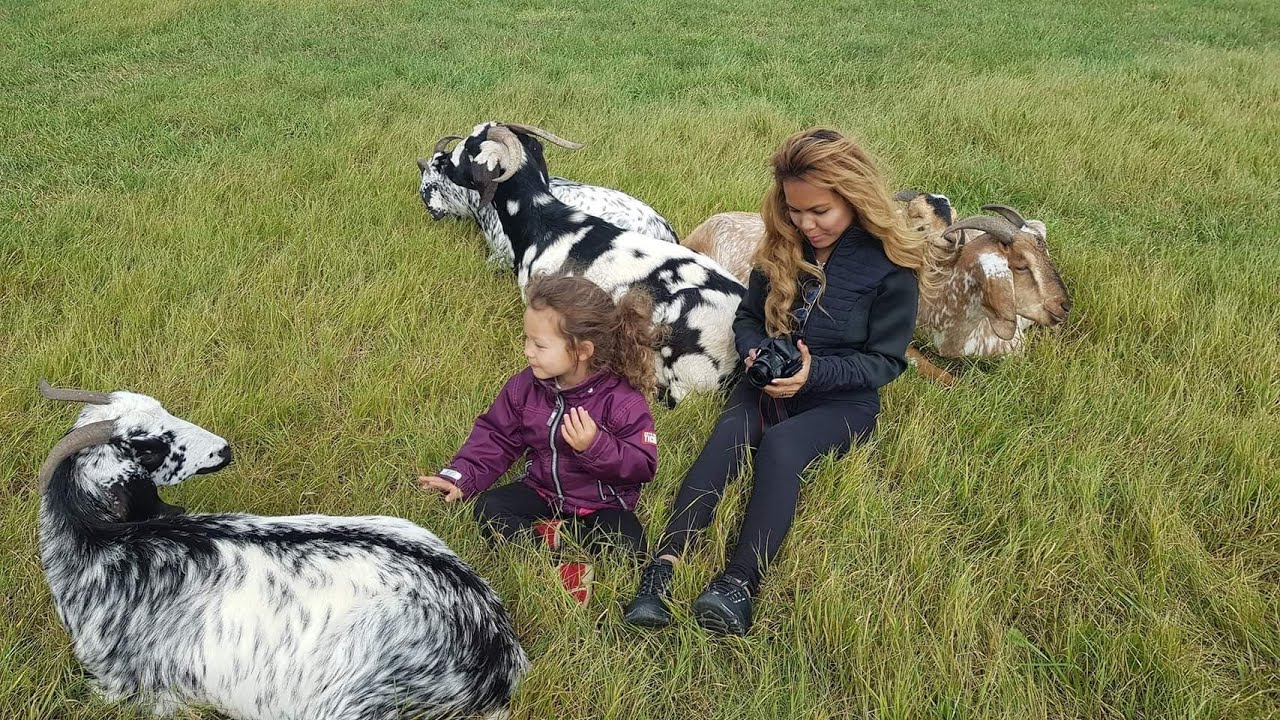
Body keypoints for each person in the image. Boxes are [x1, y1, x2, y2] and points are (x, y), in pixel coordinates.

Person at [621, 127, 934, 635]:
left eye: (820, 212)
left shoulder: (891, 269)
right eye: (794, 210)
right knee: (725, 441)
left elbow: (885, 363)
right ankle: (662, 571)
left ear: (853, 198)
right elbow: (747, 317)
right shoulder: (783, 244)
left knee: (782, 448)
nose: (806, 224)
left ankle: (738, 584)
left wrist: (816, 373)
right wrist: (754, 350)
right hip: (767, 383)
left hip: (843, 400)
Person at [419, 274, 661, 604]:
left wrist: (596, 446)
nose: (527, 351)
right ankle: (551, 566)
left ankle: (561, 534)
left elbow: (643, 465)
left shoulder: (621, 400)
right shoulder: (525, 387)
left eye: (539, 345)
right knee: (490, 508)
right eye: (527, 340)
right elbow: (497, 435)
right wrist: (461, 477)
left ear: (582, 350)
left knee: (629, 549)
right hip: (542, 490)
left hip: (603, 504)